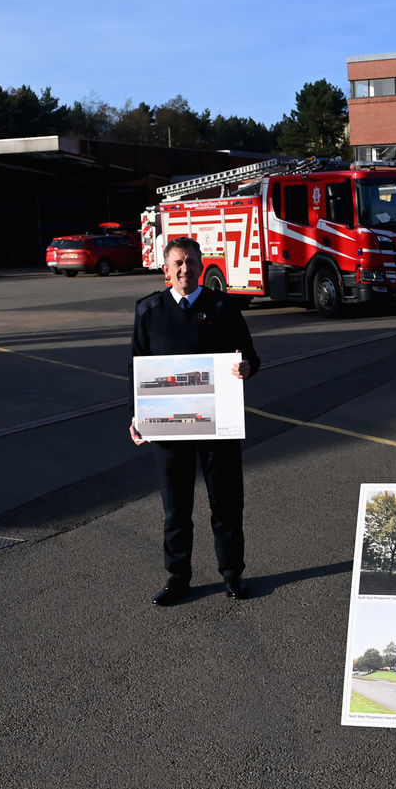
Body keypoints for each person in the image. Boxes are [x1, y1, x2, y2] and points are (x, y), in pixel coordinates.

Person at [129, 237, 261, 606]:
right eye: (178, 263)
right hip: (169, 428)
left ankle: (233, 574)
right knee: (176, 508)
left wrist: (247, 366)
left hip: (218, 424)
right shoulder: (149, 311)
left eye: (191, 262)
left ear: (202, 265)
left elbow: (250, 354)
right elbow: (136, 367)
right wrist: (136, 414)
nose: (185, 269)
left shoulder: (223, 306)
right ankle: (177, 577)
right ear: (165, 269)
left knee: (227, 505)